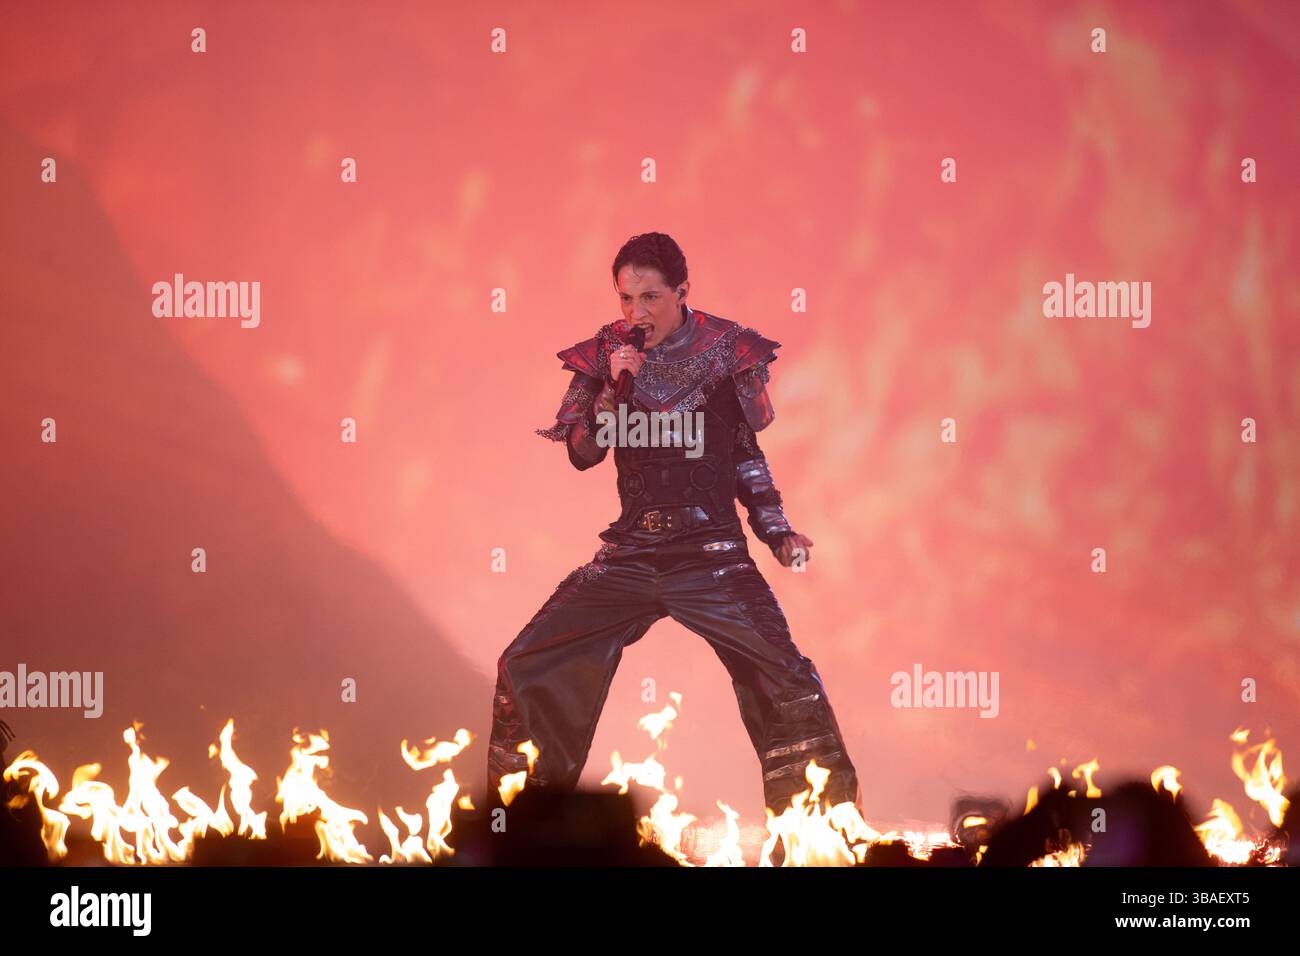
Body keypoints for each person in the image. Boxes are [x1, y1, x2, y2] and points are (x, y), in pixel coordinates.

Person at [487, 232, 860, 818]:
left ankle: (822, 831)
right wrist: (611, 389)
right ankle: (525, 830)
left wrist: (777, 531)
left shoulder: (725, 351)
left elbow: (745, 454)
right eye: (625, 298)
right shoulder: (607, 357)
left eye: (651, 297)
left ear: (682, 292)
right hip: (630, 556)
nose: (637, 313)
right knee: (525, 660)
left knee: (788, 677)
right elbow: (583, 454)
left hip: (710, 557)